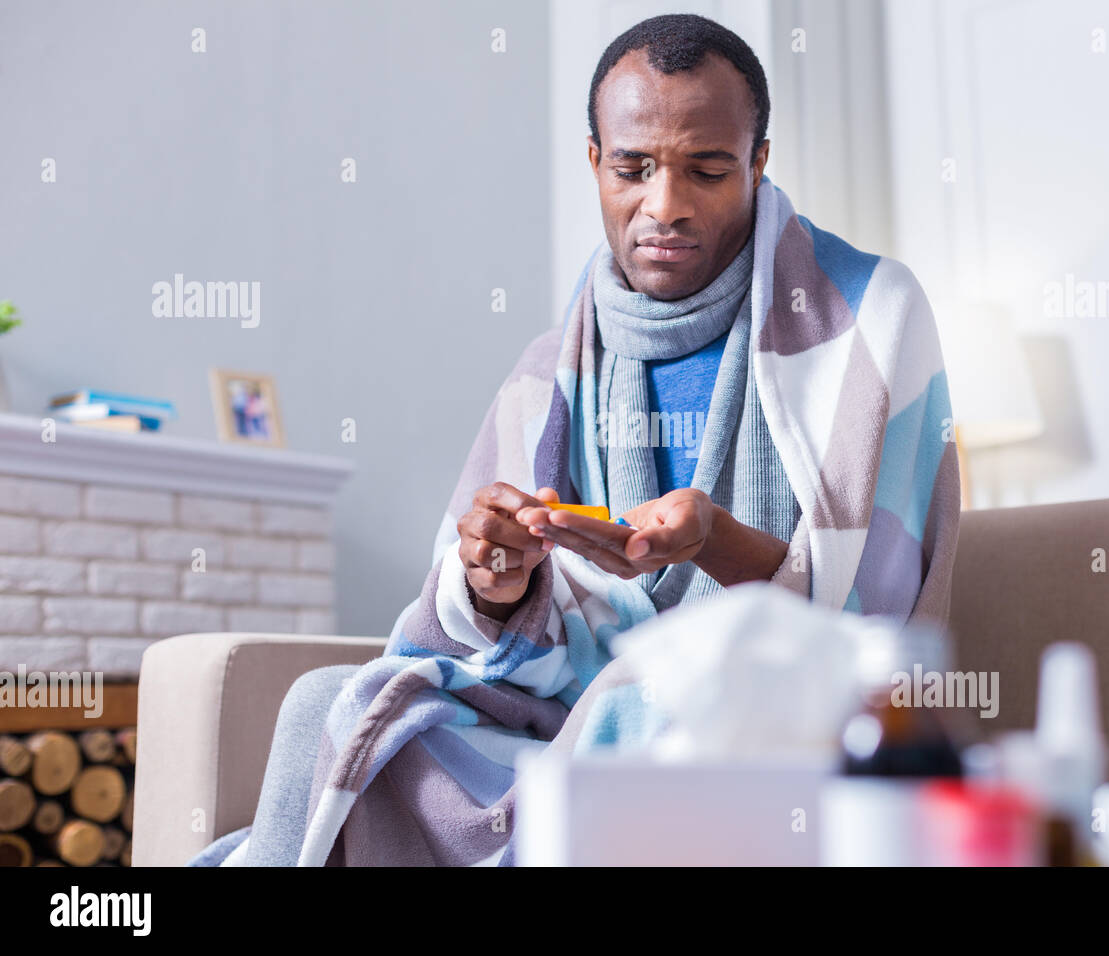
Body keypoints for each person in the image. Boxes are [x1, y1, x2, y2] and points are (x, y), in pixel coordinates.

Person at [192, 12, 959, 867]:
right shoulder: (546, 373)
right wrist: (496, 579)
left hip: (771, 732)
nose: (663, 207)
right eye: (632, 168)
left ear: (758, 163)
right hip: (571, 725)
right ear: (594, 162)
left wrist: (715, 541)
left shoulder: (870, 320)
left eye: (708, 169)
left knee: (653, 710)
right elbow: (470, 638)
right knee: (326, 706)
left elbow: (867, 626)